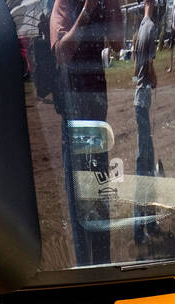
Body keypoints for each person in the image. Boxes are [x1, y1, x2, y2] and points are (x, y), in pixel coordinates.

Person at [51, 0, 122, 266]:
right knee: (80, 196)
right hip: (73, 113)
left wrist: (111, 9)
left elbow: (117, 44)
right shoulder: (63, 5)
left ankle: (103, 265)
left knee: (100, 191)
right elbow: (61, 53)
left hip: (96, 111)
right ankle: (84, 267)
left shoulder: (103, 5)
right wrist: (86, 13)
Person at [132, 0, 158, 244]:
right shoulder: (150, 27)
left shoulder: (140, 27)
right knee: (143, 163)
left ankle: (147, 224)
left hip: (138, 97)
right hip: (144, 96)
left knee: (146, 161)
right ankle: (139, 230)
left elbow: (135, 65)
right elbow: (148, 68)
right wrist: (155, 77)